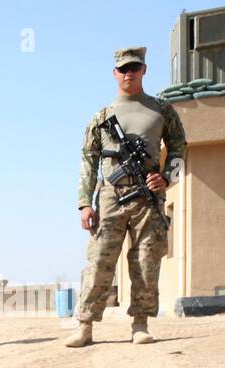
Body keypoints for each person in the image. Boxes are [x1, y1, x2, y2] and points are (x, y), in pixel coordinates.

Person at [67, 47, 187, 348]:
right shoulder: (103, 116)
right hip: (110, 195)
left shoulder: (162, 110)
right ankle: (85, 325)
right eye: (123, 68)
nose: (128, 73)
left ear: (144, 70)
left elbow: (178, 147)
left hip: (148, 196)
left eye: (134, 67)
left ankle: (140, 324)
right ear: (114, 73)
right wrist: (84, 202)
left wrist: (167, 177)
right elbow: (88, 159)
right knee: (99, 260)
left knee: (147, 260)